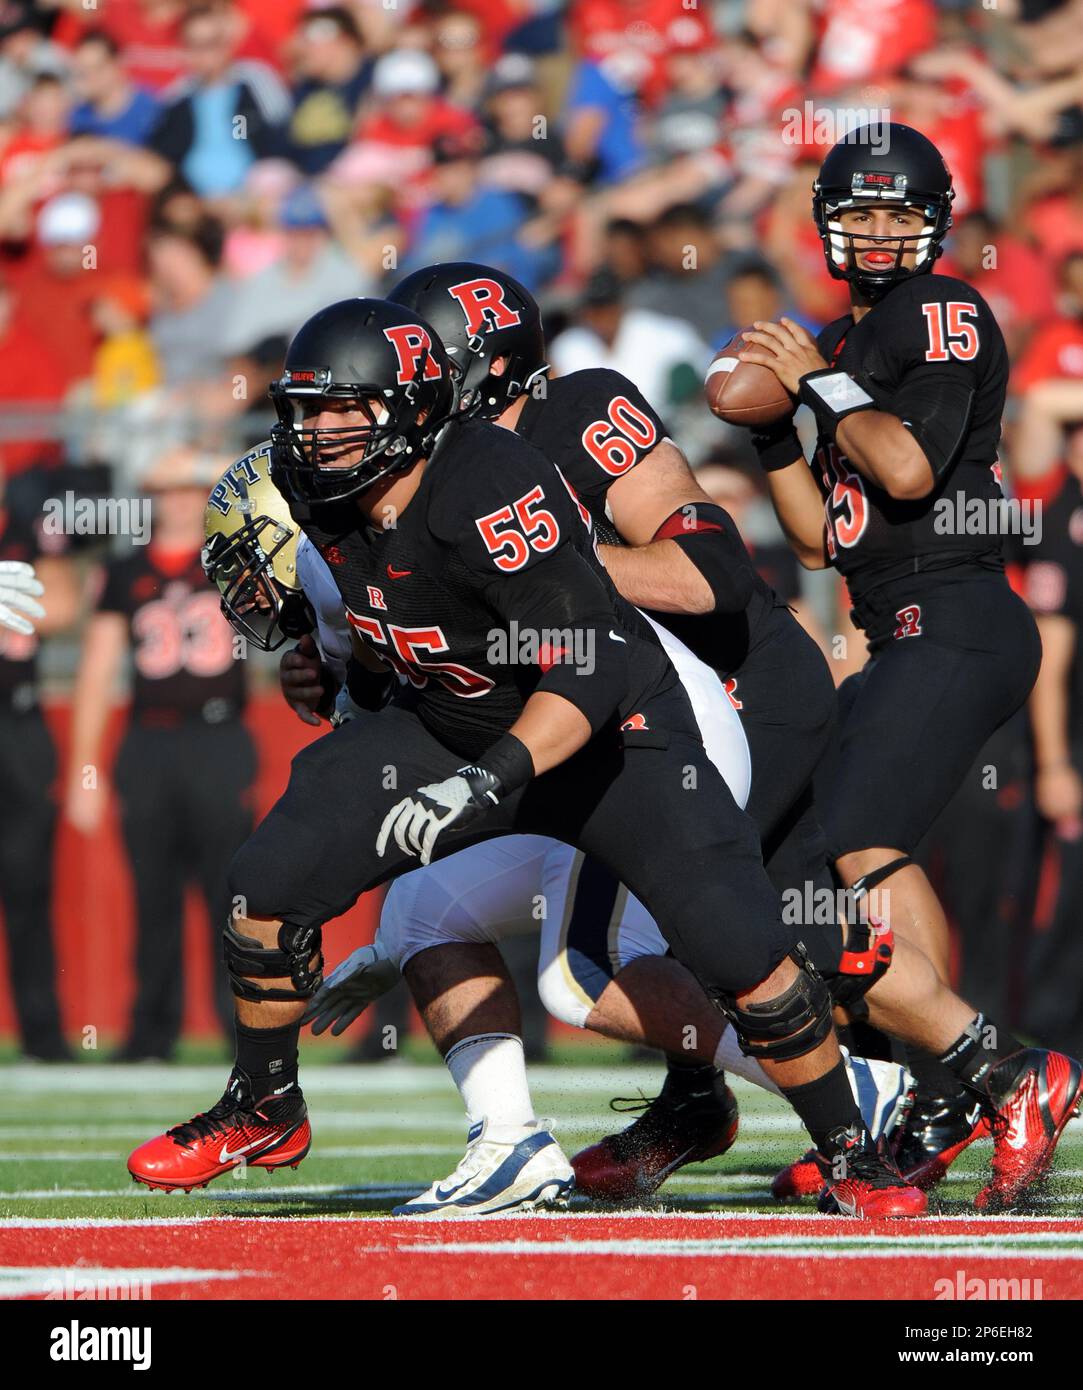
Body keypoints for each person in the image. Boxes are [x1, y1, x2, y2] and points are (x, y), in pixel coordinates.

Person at [128, 296, 928, 1218]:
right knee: (268, 877)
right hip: (459, 718)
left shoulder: (492, 481)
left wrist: (491, 779)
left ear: (419, 409)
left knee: (736, 947)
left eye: (349, 409)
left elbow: (597, 663)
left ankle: (853, 1149)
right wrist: (335, 682)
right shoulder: (312, 501)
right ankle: (264, 1101)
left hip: (617, 729)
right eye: (308, 410)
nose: (322, 433)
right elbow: (383, 671)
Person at [737, 123, 1079, 1200]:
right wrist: (771, 430)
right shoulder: (845, 344)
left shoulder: (940, 309)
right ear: (830, 224)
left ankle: (997, 1068)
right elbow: (815, 536)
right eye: (861, 212)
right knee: (830, 851)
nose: (879, 231)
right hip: (904, 621)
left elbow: (910, 461)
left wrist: (817, 384)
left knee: (848, 839)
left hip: (960, 609)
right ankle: (951, 1075)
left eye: (899, 212)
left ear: (934, 223)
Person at [65, 449, 252, 1060]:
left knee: (234, 895)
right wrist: (84, 769)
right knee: (154, 896)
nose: (177, 500)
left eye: (190, 487)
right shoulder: (125, 571)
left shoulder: (235, 559)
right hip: (149, 740)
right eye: (166, 488)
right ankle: (152, 1032)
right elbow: (97, 669)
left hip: (218, 737)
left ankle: (245, 1031)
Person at [0, 464, 79, 1061]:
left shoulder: (27, 526)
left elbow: (59, 607)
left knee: (28, 887)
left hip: (17, 722)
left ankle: (42, 1036)